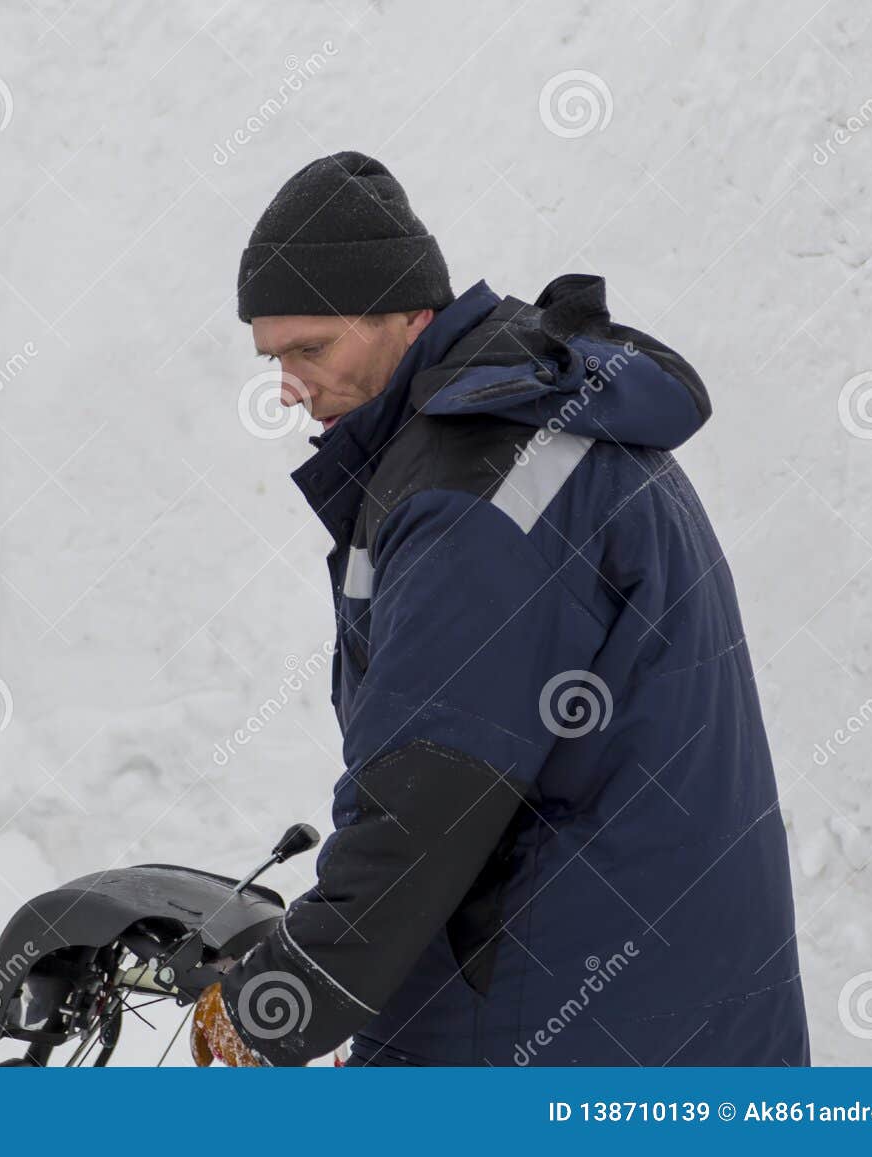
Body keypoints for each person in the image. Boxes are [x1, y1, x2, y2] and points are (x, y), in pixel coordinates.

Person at [190, 151, 810, 1067]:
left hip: (557, 1022)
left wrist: (280, 1000)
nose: (287, 383)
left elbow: (429, 798)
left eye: (310, 348)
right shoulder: (549, 416)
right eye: (274, 356)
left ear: (409, 314)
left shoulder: (471, 493)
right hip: (671, 997)